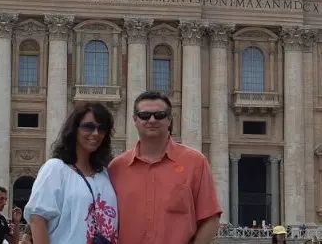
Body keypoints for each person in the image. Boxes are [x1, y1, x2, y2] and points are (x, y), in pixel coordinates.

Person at [108, 91, 222, 244]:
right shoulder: (116, 167)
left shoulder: (195, 162)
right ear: (135, 120)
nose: (152, 120)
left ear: (169, 119)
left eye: (159, 115)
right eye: (144, 115)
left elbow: (211, 218)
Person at [24, 102, 118, 244]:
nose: (96, 133)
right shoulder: (55, 169)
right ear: (74, 129)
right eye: (89, 126)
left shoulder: (105, 174)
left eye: (102, 128)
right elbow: (37, 219)